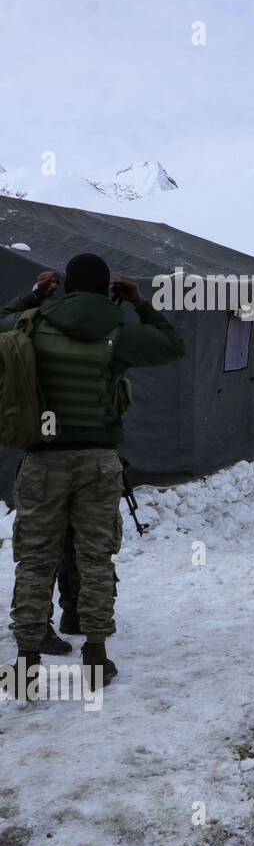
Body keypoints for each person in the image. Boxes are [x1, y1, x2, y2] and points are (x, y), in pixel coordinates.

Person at [2, 255, 184, 688]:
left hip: (44, 459)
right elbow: (172, 344)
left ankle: (27, 662)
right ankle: (97, 655)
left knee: (35, 560)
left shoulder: (31, 322)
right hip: (98, 462)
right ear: (108, 290)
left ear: (62, 287)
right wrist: (140, 303)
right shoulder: (119, 332)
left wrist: (32, 294)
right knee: (96, 557)